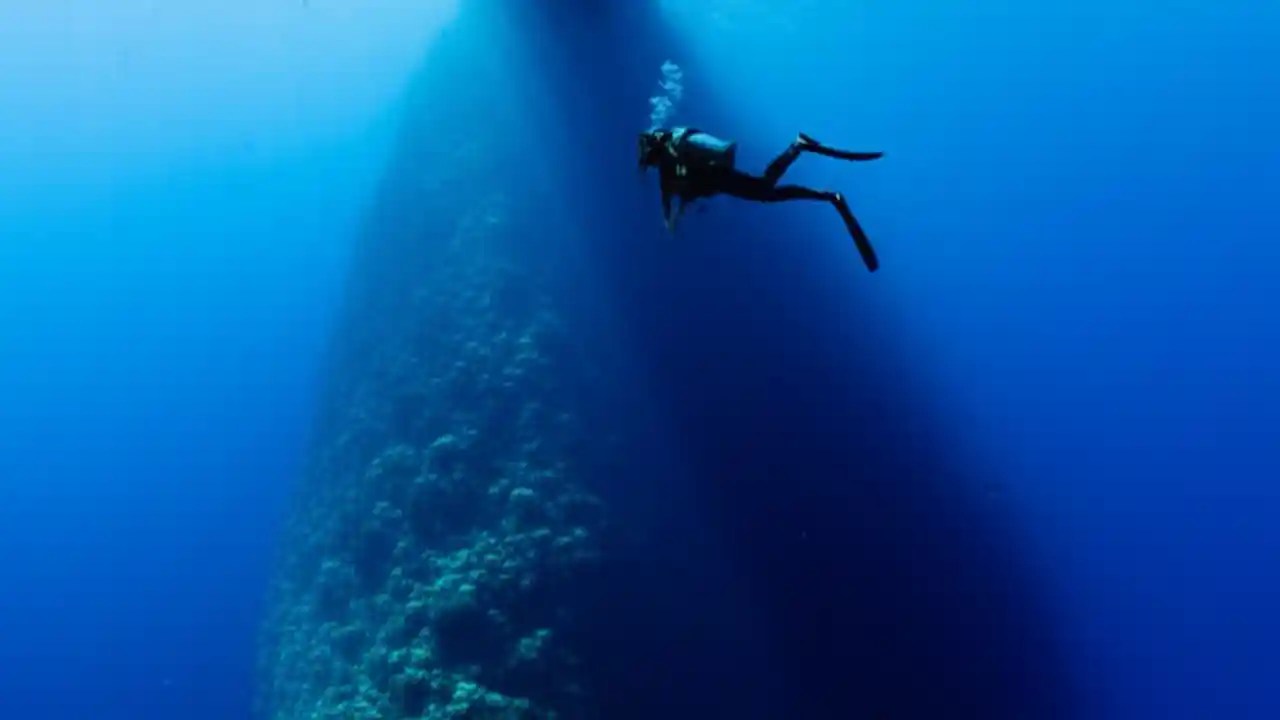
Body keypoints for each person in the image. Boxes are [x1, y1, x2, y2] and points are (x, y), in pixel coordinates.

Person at [638, 127, 883, 271]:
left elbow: (718, 153)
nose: (654, 165)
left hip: (723, 179)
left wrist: (671, 218)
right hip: (721, 182)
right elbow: (669, 194)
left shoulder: (676, 151)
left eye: (651, 160)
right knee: (766, 191)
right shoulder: (669, 167)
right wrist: (672, 218)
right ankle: (825, 191)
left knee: (765, 189)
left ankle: (801, 150)